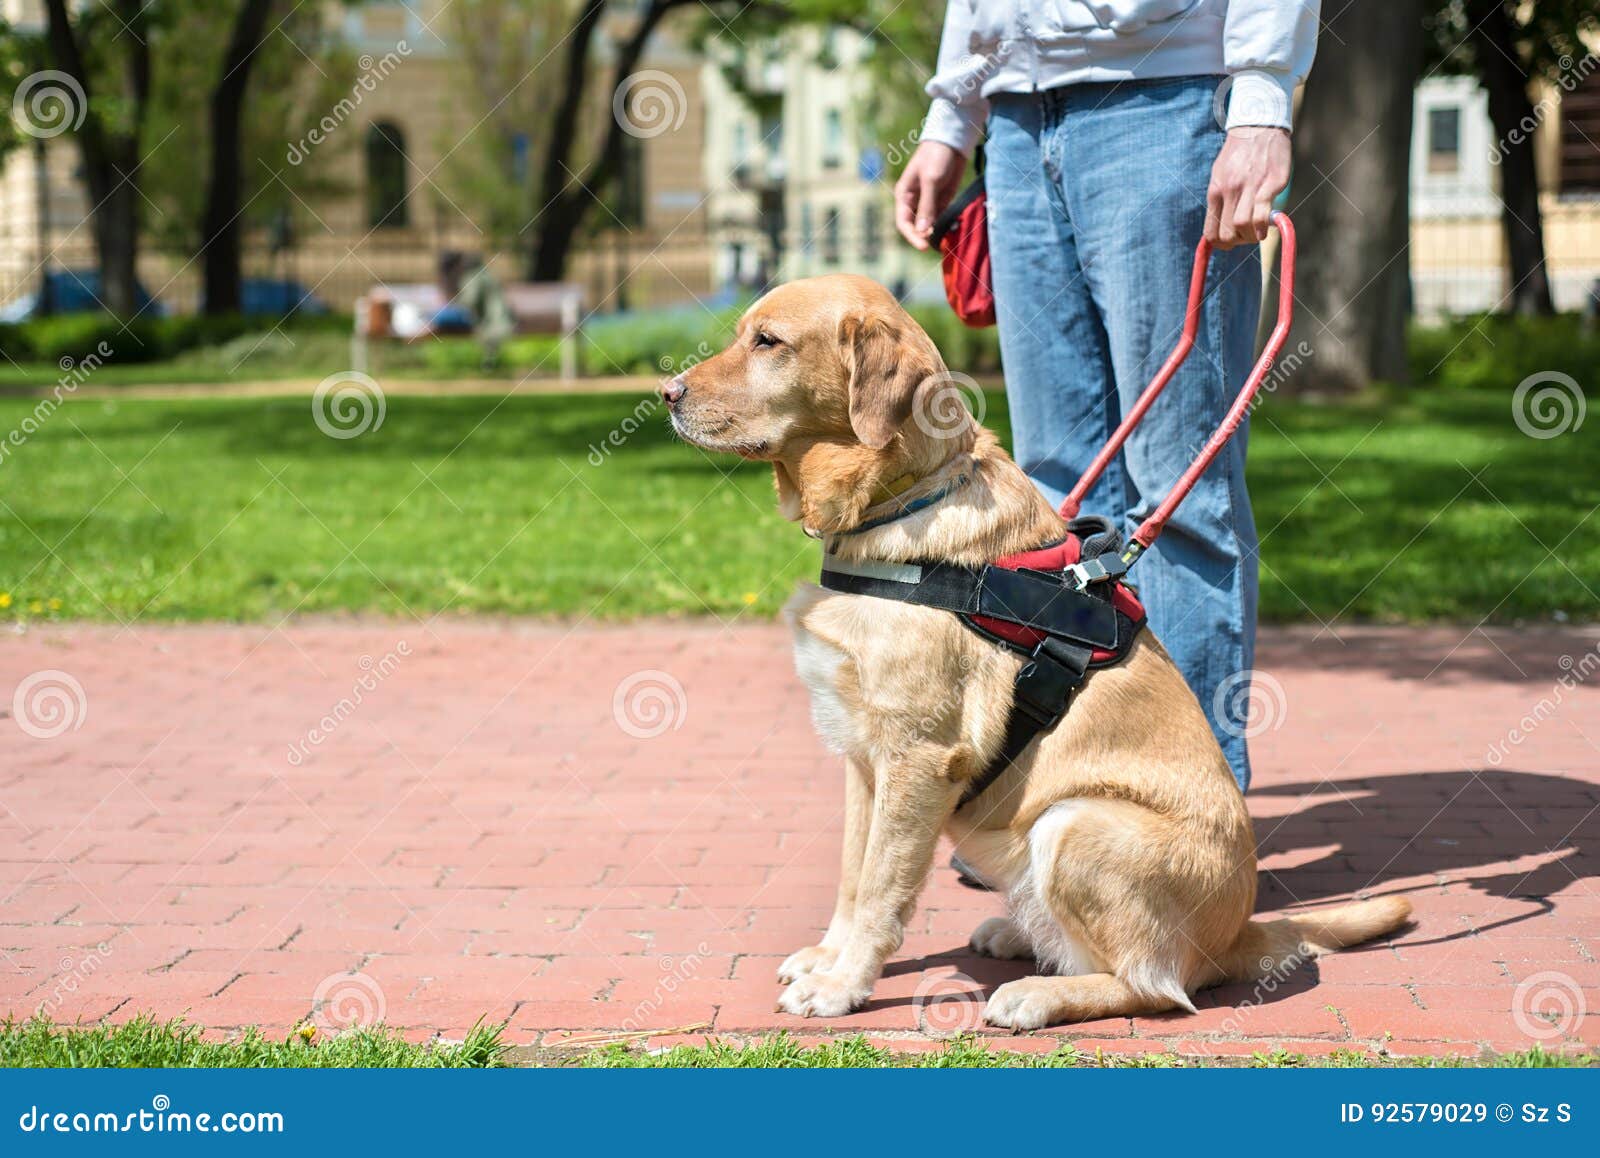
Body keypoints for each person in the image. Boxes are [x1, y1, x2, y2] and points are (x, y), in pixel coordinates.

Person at [894, 1, 1320, 792]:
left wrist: (1261, 102)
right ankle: (1075, 792)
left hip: (1166, 97)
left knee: (1180, 486)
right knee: (1055, 494)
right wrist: (950, 115)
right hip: (1018, 120)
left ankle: (1191, 805)